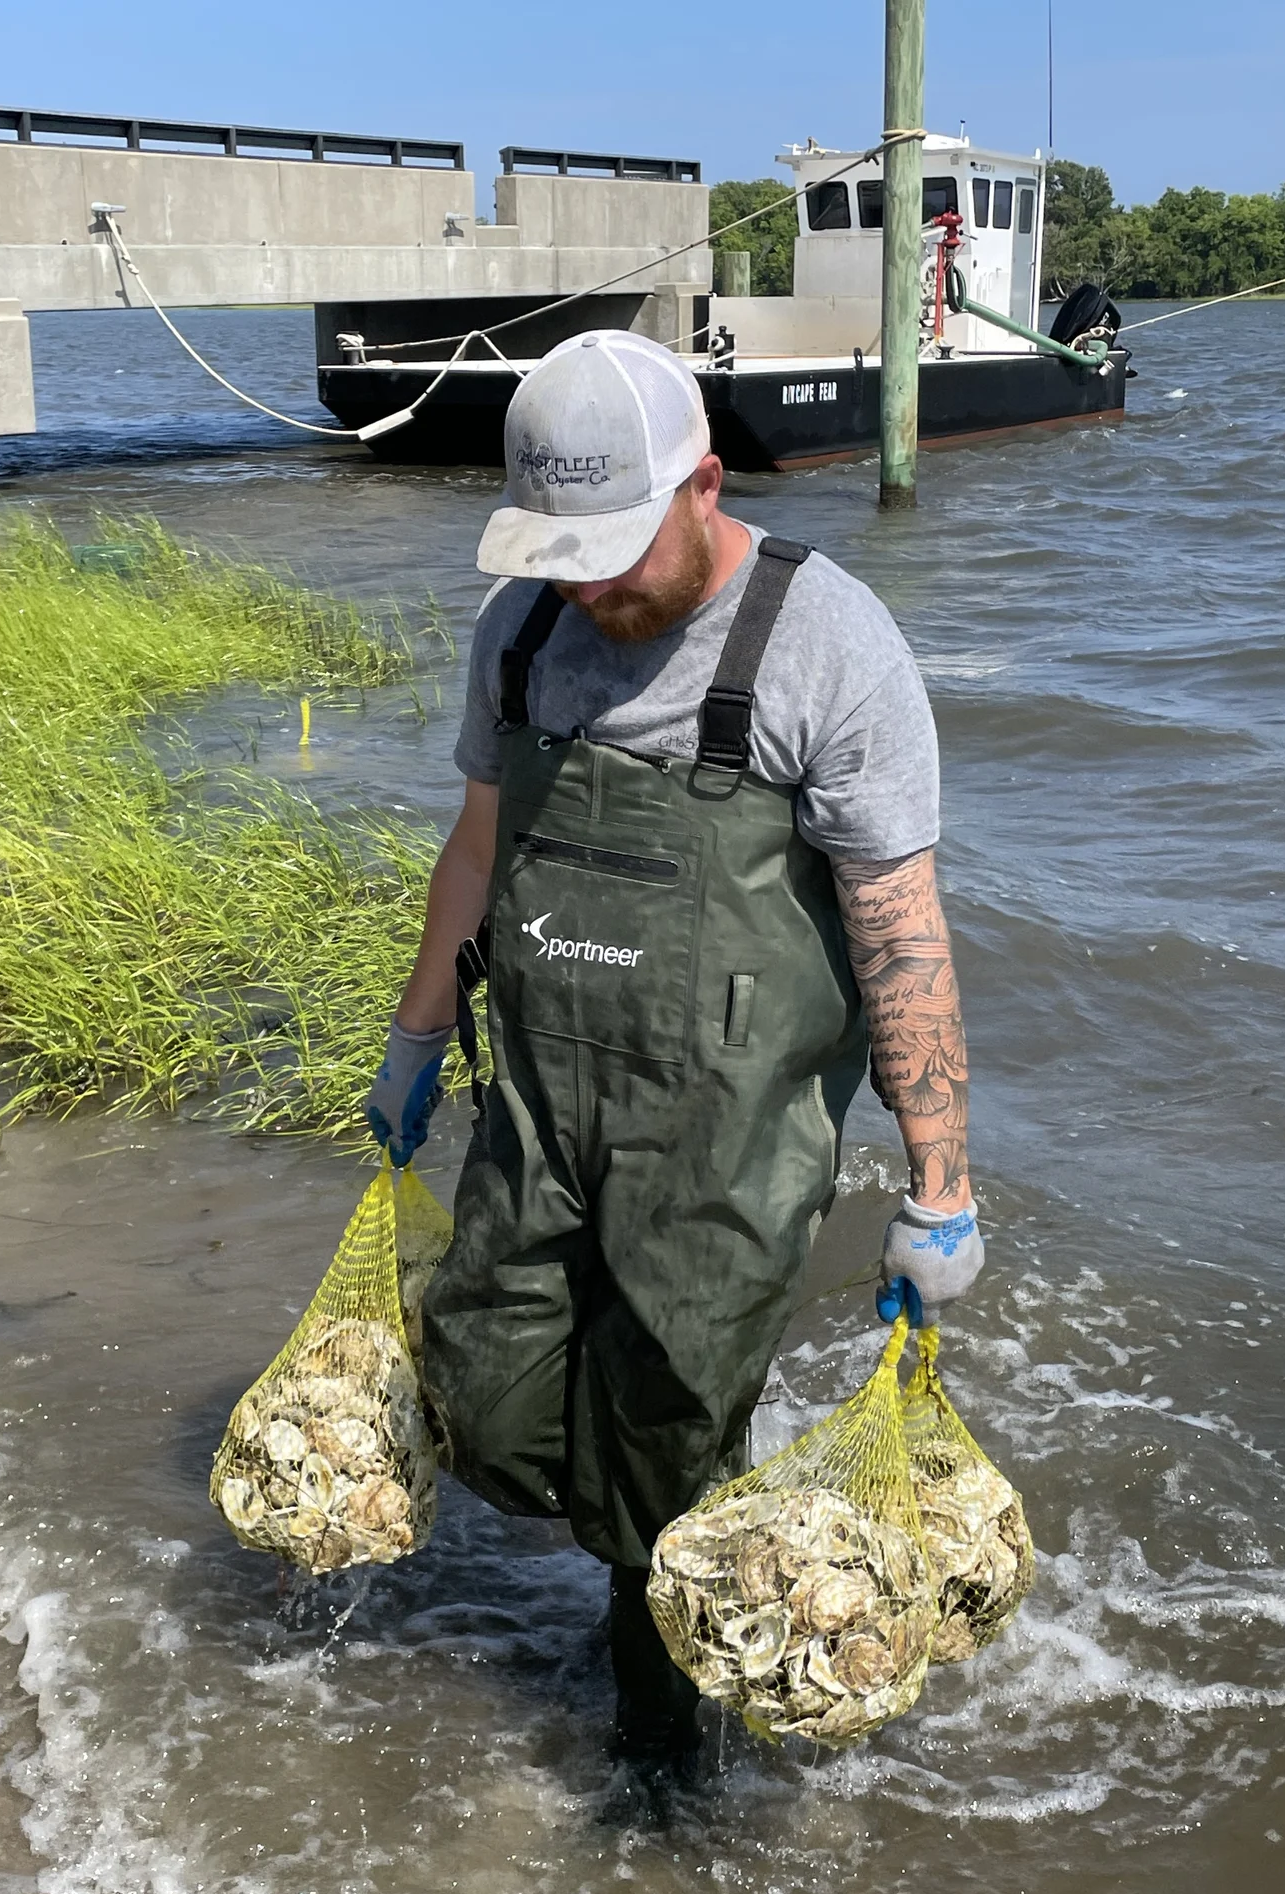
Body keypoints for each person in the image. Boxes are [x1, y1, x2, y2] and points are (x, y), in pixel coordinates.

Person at [365, 328, 983, 1773]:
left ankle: (666, 1754)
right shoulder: (521, 630)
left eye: (616, 550)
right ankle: (680, 1542)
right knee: (488, 1402)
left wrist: (937, 1179)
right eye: (560, 549)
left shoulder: (827, 643)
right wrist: (412, 1042)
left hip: (728, 1135)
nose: (589, 585)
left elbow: (899, 929)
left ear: (705, 482)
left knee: (662, 1461)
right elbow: (476, 848)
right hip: (544, 1099)